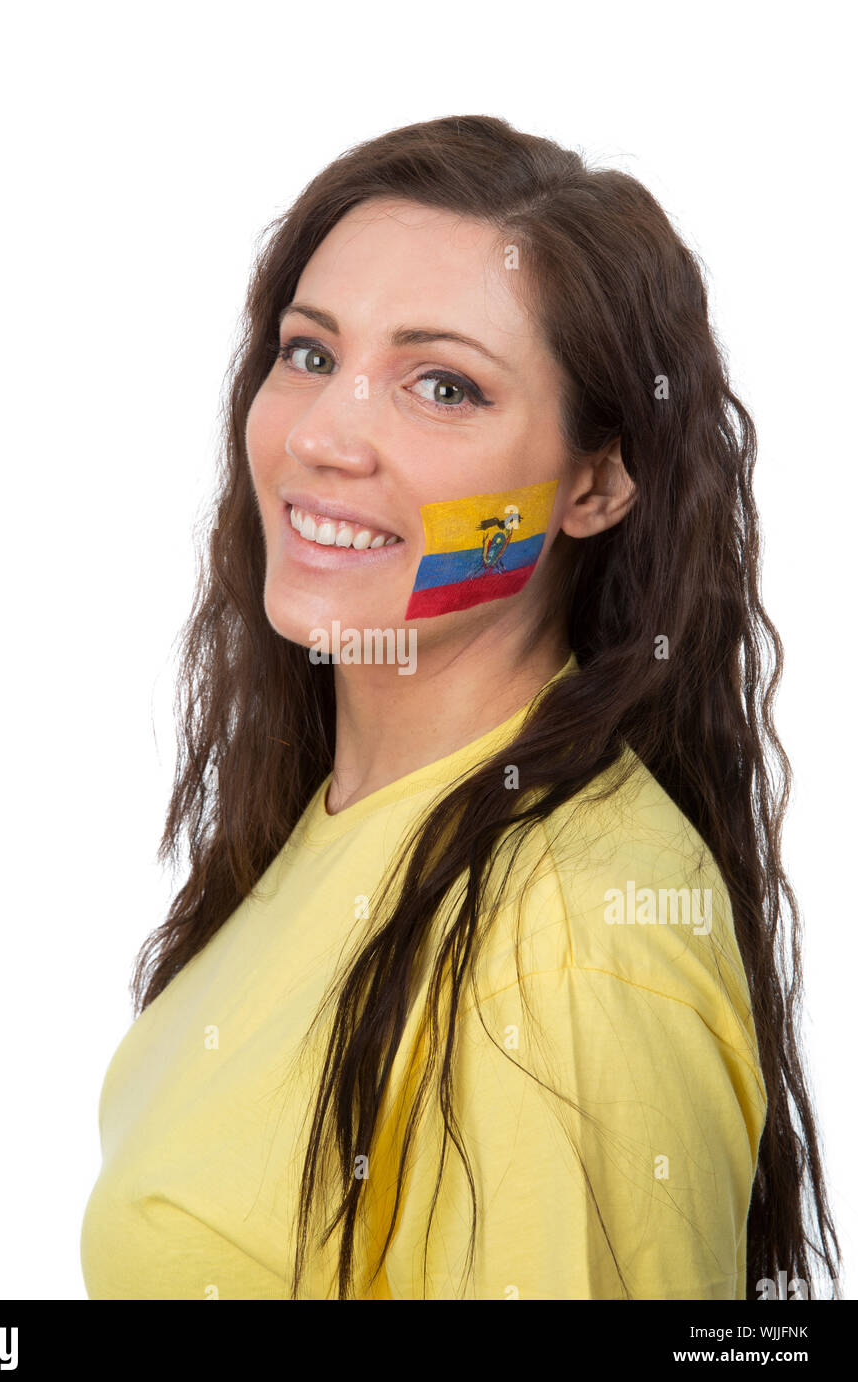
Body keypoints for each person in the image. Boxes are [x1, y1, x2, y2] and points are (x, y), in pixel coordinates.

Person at [80, 114, 840, 1300]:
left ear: (597, 481)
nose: (323, 436)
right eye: (310, 353)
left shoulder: (574, 942)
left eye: (443, 386)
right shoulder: (326, 819)